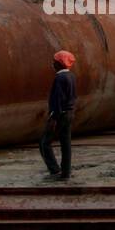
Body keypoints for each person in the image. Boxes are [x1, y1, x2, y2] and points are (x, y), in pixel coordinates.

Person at [40, 50, 77, 180]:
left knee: (44, 143)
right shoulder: (71, 76)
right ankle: (66, 173)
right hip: (69, 113)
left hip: (60, 115)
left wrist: (53, 118)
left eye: (54, 61)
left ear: (60, 63)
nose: (52, 63)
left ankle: (55, 170)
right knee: (66, 143)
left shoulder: (60, 78)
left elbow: (58, 99)